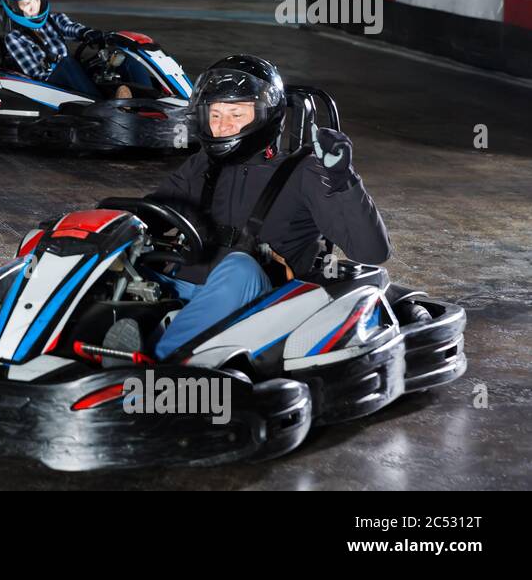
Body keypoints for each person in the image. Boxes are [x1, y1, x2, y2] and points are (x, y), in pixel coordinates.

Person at [131, 55, 392, 360]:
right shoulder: (201, 165)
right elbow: (152, 213)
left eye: (235, 114)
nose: (222, 126)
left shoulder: (305, 172)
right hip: (189, 288)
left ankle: (158, 368)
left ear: (264, 116)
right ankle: (98, 348)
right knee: (120, 261)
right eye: (215, 115)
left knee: (239, 268)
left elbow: (373, 251)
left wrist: (343, 178)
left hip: (265, 301)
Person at [0, 0, 132, 100]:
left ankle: (144, 99)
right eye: (26, 3)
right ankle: (104, 106)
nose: (34, 7)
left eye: (36, 0)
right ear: (13, 6)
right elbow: (36, 75)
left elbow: (70, 27)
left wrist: (86, 32)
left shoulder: (54, 20)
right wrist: (64, 69)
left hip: (69, 76)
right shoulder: (14, 38)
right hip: (46, 87)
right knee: (67, 63)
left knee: (119, 55)